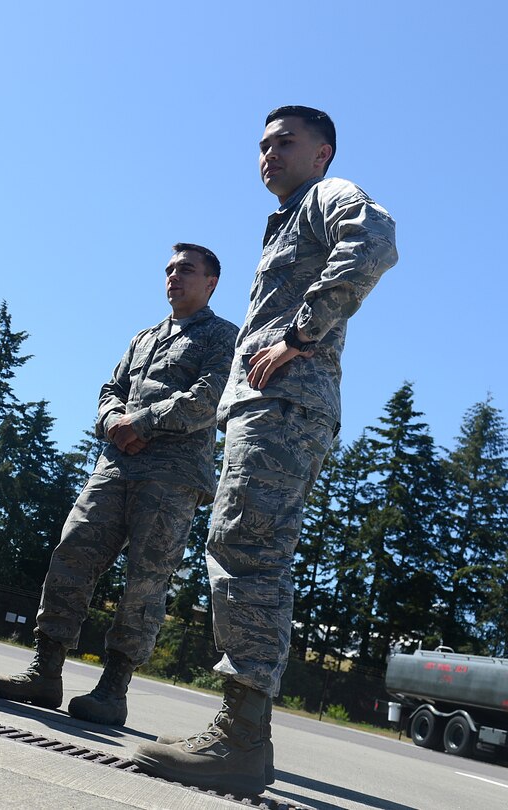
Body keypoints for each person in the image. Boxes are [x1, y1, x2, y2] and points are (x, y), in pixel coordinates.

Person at [133, 106, 398, 795]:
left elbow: (376, 238)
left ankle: (242, 739)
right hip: (269, 409)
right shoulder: (288, 220)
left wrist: (301, 334)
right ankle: (239, 729)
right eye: (261, 145)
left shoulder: (327, 198)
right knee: (241, 548)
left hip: (284, 404)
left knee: (247, 553)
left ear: (323, 152)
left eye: (285, 142)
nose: (269, 154)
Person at [0, 244, 237, 722]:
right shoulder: (144, 337)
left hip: (172, 475)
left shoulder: (224, 337)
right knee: (71, 554)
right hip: (116, 465)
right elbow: (109, 390)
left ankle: (113, 692)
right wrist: (113, 420)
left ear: (211, 283)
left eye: (186, 269)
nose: (173, 277)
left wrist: (140, 422)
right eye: (168, 269)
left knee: (146, 578)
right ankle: (45, 673)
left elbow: (208, 398)